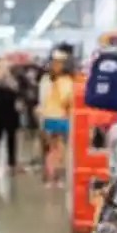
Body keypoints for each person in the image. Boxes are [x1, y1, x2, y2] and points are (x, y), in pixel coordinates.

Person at [38, 44, 75, 187]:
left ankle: (50, 178)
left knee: (52, 149)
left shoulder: (48, 80)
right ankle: (57, 178)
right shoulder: (67, 81)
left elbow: (43, 100)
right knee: (60, 149)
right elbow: (67, 99)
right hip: (61, 117)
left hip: (49, 117)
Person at [0, 58, 21, 174]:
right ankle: (4, 164)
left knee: (2, 139)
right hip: (5, 112)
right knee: (3, 139)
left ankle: (0, 164)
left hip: (3, 113)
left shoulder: (4, 80)